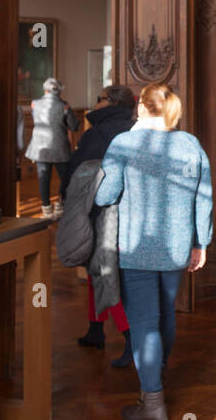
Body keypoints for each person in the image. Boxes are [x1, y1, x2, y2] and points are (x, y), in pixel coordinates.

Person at [96, 83, 213, 420]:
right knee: (166, 314)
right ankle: (155, 373)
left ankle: (152, 401)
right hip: (177, 246)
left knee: (144, 322)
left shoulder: (124, 144)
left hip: (136, 247)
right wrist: (200, 243)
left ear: (143, 109)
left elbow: (105, 195)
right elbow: (203, 198)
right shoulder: (190, 145)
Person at [67, 85, 136, 365]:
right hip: (128, 212)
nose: (95, 103)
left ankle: (131, 339)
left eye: (100, 98)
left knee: (106, 274)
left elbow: (79, 173)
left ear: (111, 103)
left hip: (101, 212)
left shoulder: (98, 134)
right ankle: (95, 329)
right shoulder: (135, 130)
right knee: (100, 271)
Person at [25, 77, 80, 218]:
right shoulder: (64, 106)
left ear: (45, 90)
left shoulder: (34, 104)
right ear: (59, 92)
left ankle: (46, 210)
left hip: (40, 147)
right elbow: (74, 126)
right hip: (60, 148)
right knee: (64, 178)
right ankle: (60, 206)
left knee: (43, 178)